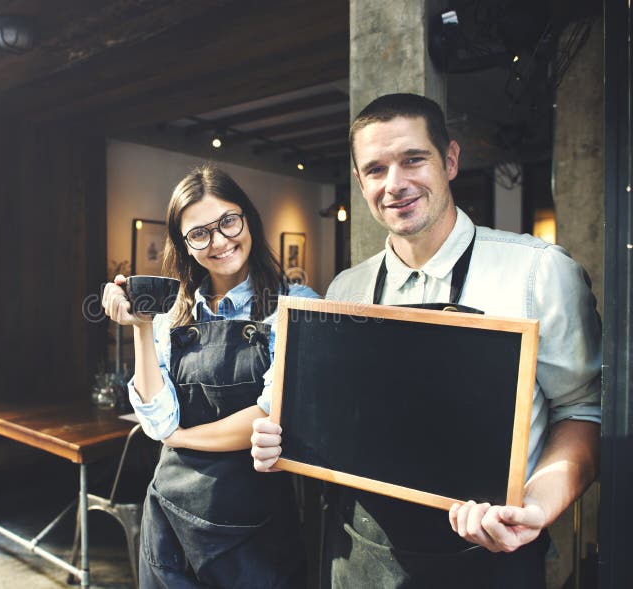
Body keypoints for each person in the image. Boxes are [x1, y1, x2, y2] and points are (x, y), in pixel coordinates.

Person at [251, 93, 601, 588]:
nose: (395, 184)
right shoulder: (346, 289)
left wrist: (535, 508)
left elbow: (581, 412)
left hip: (489, 554)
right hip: (361, 553)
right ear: (360, 182)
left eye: (413, 159)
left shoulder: (539, 272)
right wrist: (279, 436)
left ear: (450, 160)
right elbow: (330, 421)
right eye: (375, 169)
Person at [103, 164, 318, 588]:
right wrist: (142, 326)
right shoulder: (172, 311)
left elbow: (271, 412)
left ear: (248, 219)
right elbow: (158, 420)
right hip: (170, 524)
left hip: (257, 529)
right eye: (199, 233)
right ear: (185, 245)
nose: (219, 241)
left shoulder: (296, 305)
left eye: (228, 222)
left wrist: (182, 439)